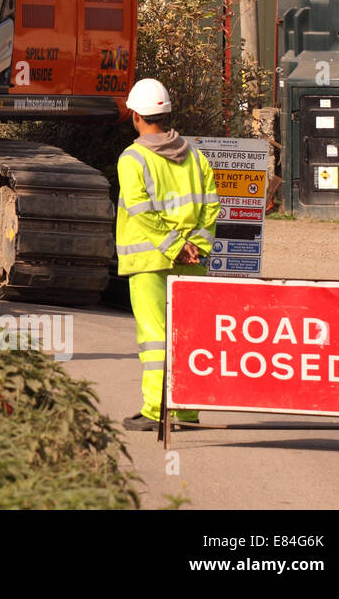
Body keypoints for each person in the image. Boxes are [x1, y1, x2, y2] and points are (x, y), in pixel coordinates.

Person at [116, 78, 220, 431]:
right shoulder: (196, 156)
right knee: (188, 333)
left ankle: (156, 410)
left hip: (148, 261)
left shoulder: (132, 158)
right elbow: (211, 207)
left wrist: (174, 246)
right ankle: (187, 410)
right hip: (191, 262)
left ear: (135, 116)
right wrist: (195, 247)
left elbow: (140, 210)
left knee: (155, 336)